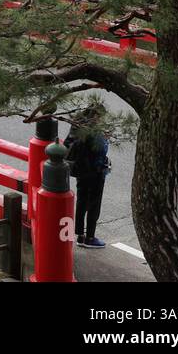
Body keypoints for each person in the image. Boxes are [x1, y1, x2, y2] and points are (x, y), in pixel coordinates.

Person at [67, 104, 111, 249]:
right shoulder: (94, 131)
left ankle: (80, 235)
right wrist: (106, 138)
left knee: (81, 202)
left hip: (80, 170)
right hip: (95, 171)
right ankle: (90, 237)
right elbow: (101, 151)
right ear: (97, 116)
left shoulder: (77, 126)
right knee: (94, 205)